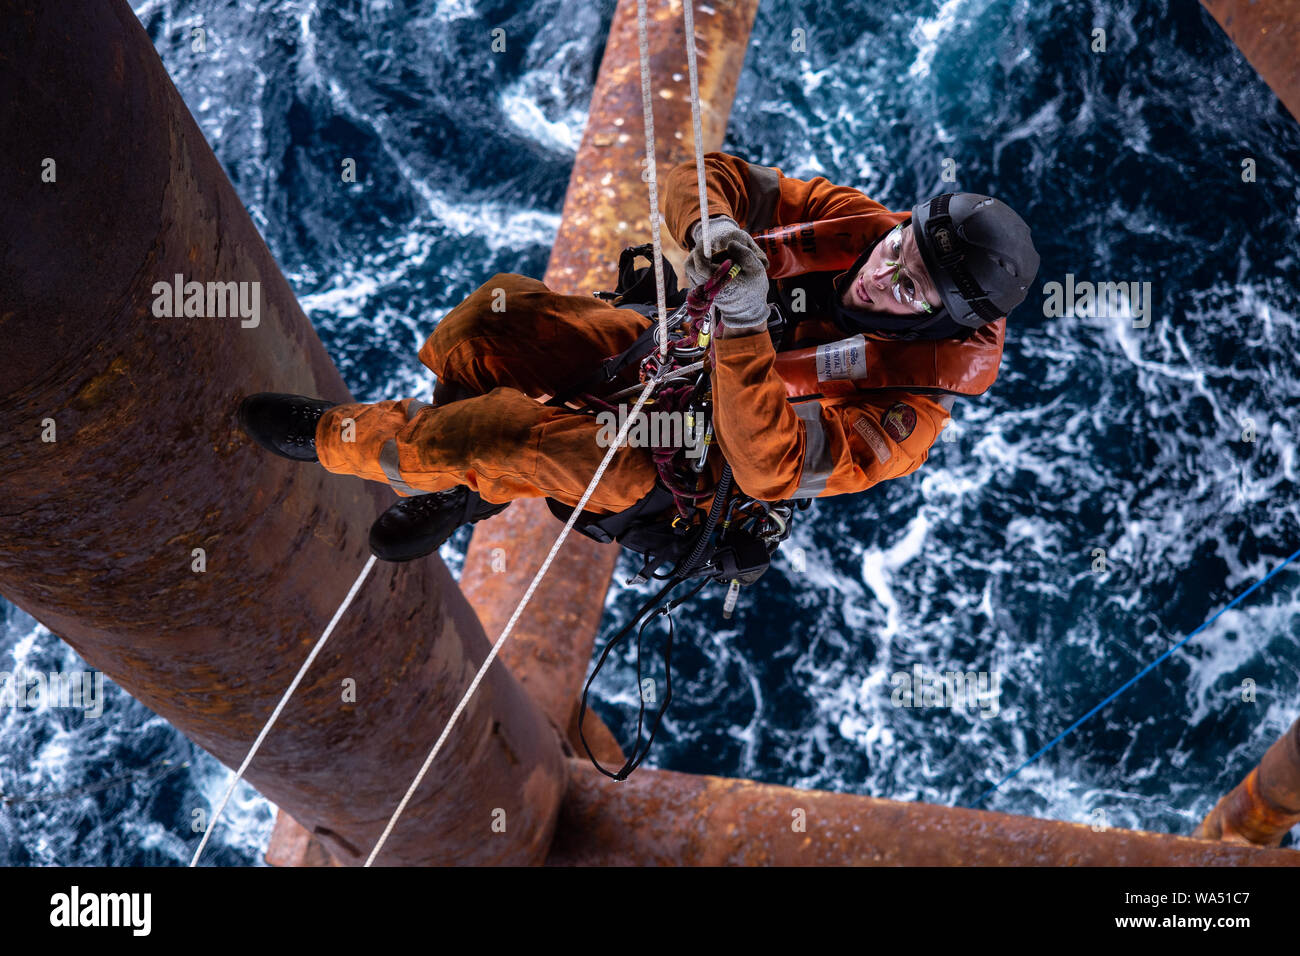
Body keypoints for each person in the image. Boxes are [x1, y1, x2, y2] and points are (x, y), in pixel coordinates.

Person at [238, 151, 1040, 561]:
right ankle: (467, 490)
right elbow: (706, 175)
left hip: (682, 471)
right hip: (664, 353)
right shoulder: (852, 225)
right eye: (897, 246)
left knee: (514, 437)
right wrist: (712, 230)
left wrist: (743, 326)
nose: (881, 271)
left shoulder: (904, 422)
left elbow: (768, 467)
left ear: (941, 326)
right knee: (489, 322)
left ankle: (338, 440)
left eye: (909, 288)